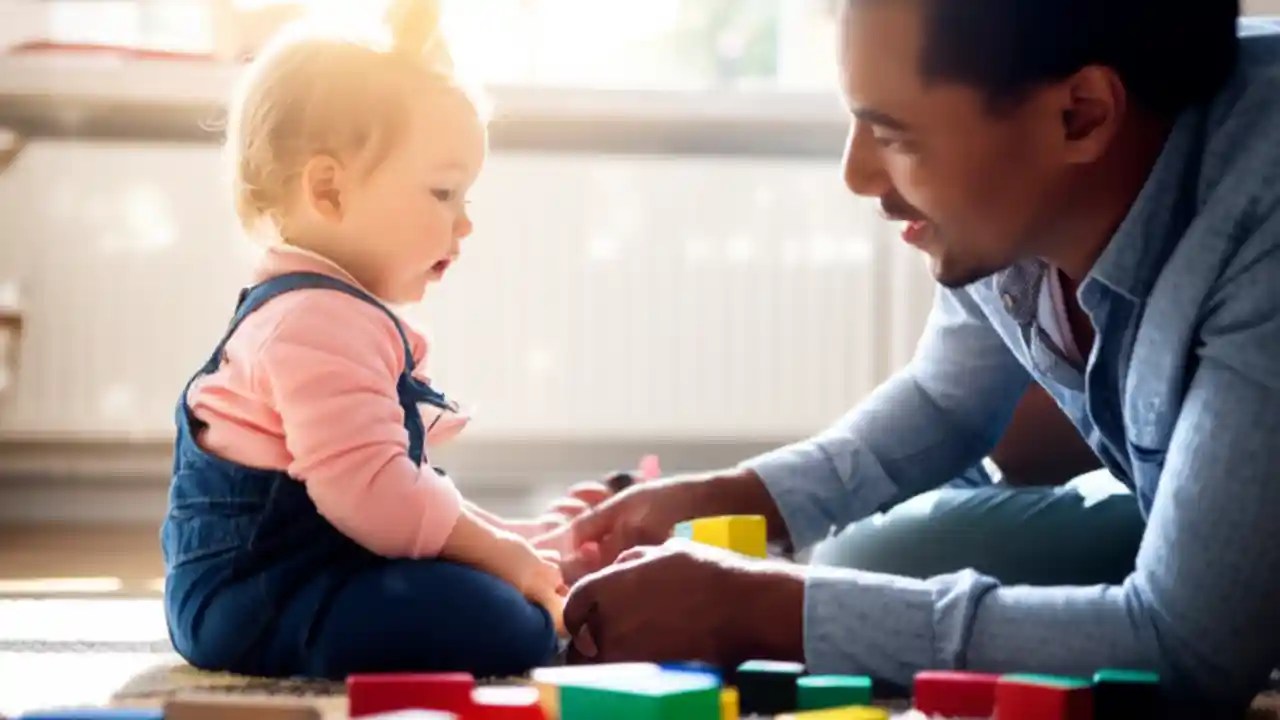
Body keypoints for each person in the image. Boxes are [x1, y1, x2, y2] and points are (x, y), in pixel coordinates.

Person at [541, 0, 1280, 712]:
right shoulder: (1021, 197)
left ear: (1079, 113)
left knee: (843, 588)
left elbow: (1189, 649)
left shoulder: (1262, 222)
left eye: (895, 137)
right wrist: (729, 497)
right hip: (1156, 519)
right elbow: (945, 401)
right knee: (865, 563)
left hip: (1199, 617)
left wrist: (758, 610)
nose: (858, 176)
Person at [161, 0, 568, 679]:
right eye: (443, 193)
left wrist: (511, 541)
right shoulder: (315, 324)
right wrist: (507, 560)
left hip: (298, 577)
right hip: (262, 602)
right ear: (328, 189)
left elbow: (398, 484)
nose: (464, 224)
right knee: (511, 626)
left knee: (496, 593)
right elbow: (378, 498)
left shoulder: (320, 310)